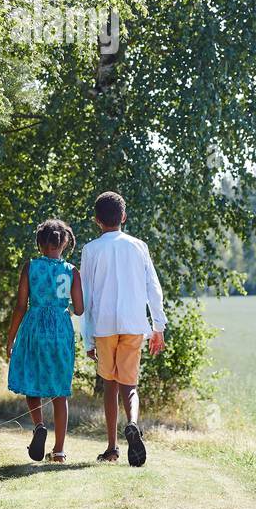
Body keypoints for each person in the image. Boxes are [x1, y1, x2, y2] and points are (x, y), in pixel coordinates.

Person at [79, 191, 166, 466]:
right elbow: (153, 287)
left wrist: (87, 338)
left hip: (104, 326)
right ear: (124, 217)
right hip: (133, 324)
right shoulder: (139, 246)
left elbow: (86, 295)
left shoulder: (91, 250)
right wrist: (158, 326)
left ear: (96, 221)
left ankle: (112, 448)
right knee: (130, 385)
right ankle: (133, 422)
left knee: (110, 385)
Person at [6, 218, 84, 463]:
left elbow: (20, 306)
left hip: (34, 327)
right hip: (60, 329)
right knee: (59, 390)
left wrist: (11, 338)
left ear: (40, 243)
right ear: (65, 243)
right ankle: (59, 451)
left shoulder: (30, 267)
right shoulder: (71, 271)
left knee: (32, 381)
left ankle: (39, 425)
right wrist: (62, 307)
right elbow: (80, 309)